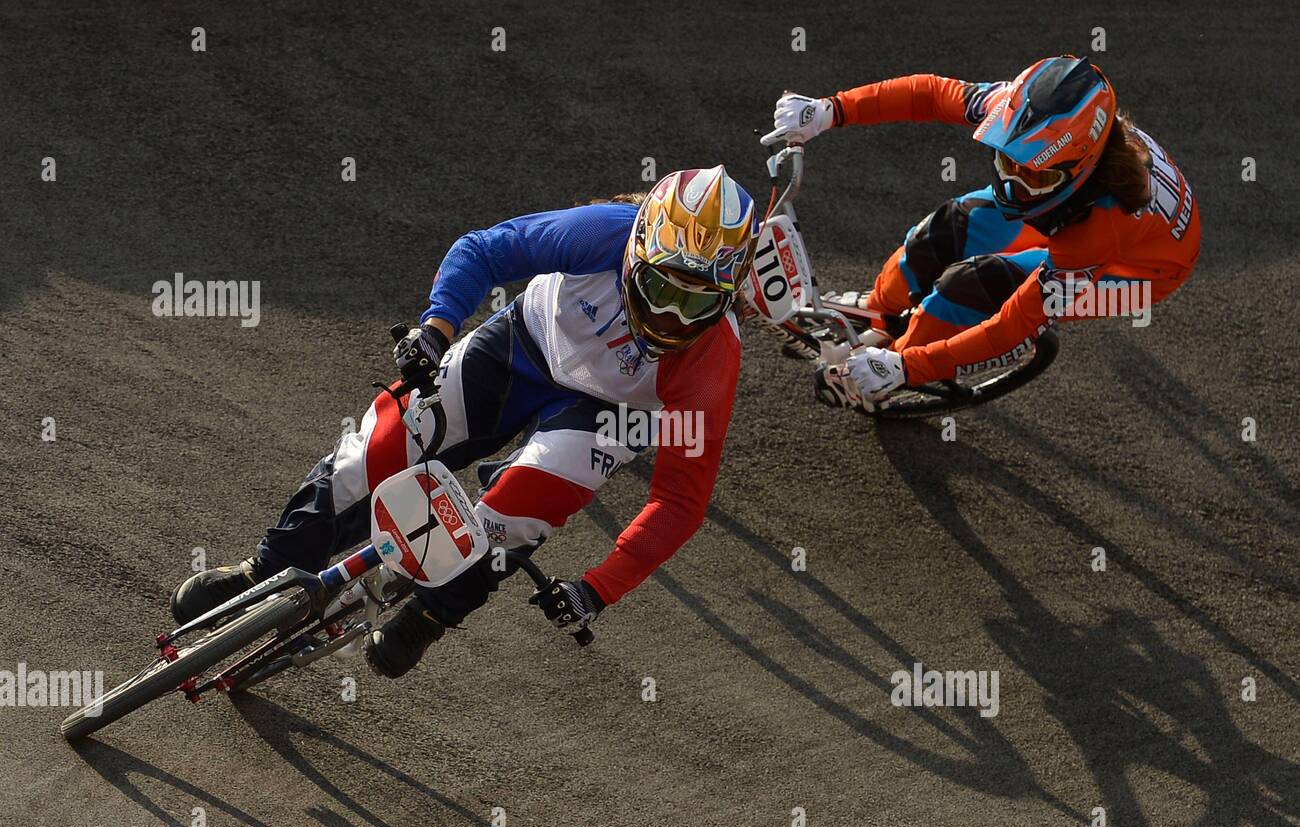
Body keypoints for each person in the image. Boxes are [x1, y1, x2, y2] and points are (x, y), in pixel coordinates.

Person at [170, 166, 760, 677]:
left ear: (727, 294)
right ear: (637, 250)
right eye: (660, 287)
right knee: (379, 450)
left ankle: (428, 616)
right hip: (525, 345)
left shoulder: (713, 363)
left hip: (611, 411)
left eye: (696, 302)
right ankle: (266, 567)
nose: (669, 315)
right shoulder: (602, 230)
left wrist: (598, 588)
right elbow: (483, 250)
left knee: (518, 509)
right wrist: (436, 329)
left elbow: (680, 501)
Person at [760, 56, 1200, 404]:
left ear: (1079, 169)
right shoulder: (1018, 113)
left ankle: (889, 365)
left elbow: (1013, 326)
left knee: (972, 285)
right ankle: (881, 312)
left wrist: (907, 368)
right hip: (1080, 209)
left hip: (1137, 274)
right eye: (1007, 161)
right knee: (949, 227)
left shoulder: (1099, 229)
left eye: (1035, 175)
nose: (1014, 186)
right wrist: (829, 111)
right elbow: (929, 95)